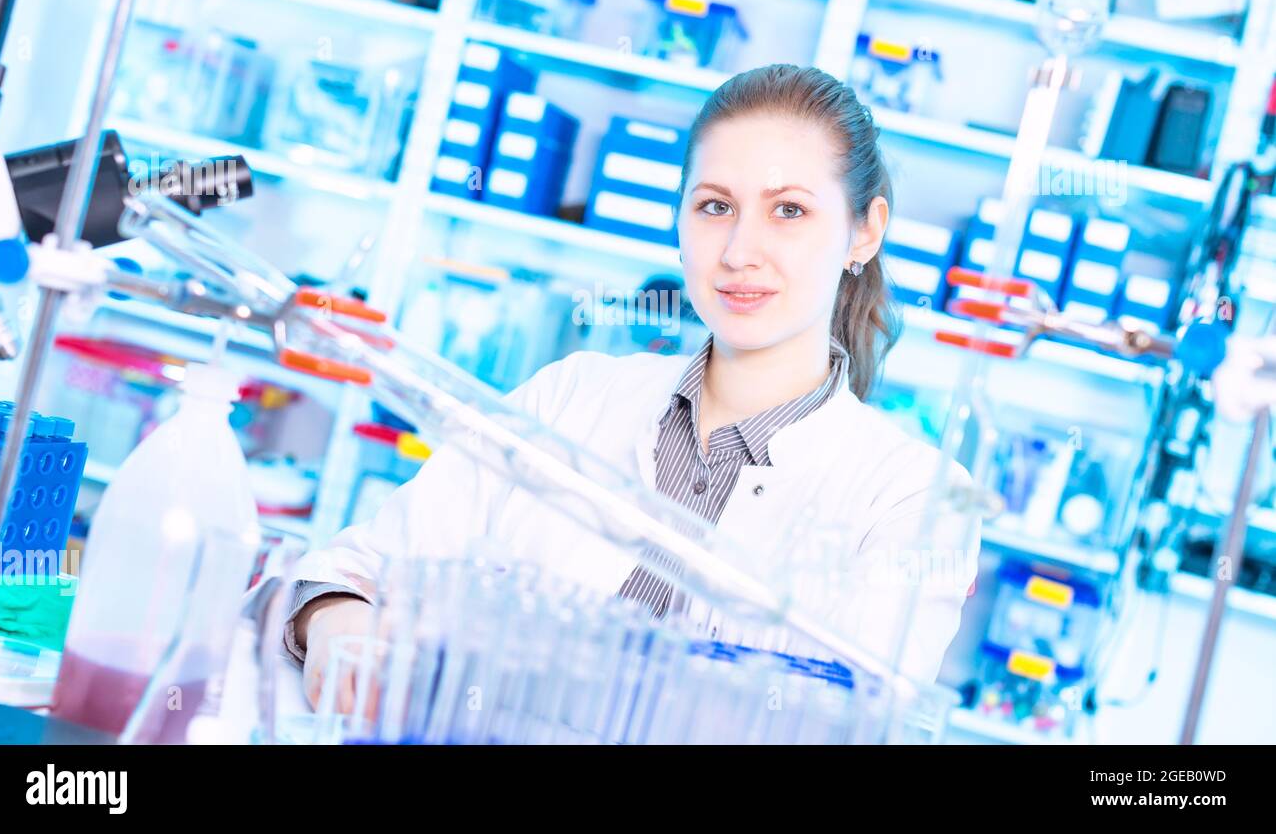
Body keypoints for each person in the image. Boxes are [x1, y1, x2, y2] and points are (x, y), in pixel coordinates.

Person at [286, 64, 980, 710]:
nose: (740, 251)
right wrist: (343, 622)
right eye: (714, 206)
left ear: (865, 233)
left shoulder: (918, 501)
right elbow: (352, 571)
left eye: (789, 211)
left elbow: (845, 720)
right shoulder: (569, 396)